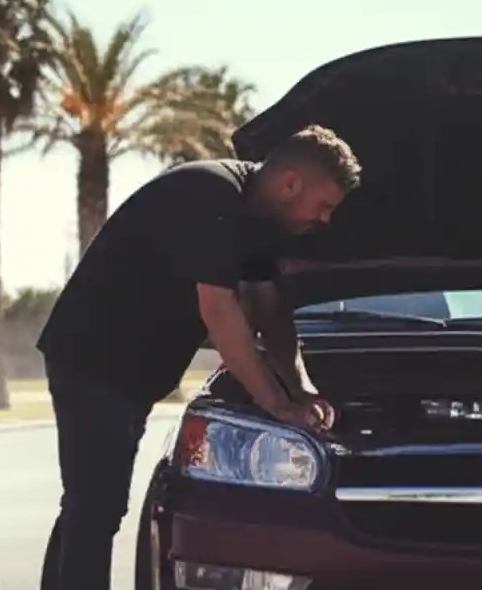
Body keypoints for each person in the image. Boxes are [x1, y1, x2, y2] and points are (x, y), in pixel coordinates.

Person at [36, 124, 363, 590]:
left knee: (90, 504)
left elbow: (272, 315)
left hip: (127, 375)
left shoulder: (257, 224)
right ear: (291, 183)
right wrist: (276, 405)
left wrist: (302, 389)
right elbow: (220, 311)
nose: (326, 220)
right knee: (97, 504)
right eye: (325, 205)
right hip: (92, 361)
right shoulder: (211, 196)